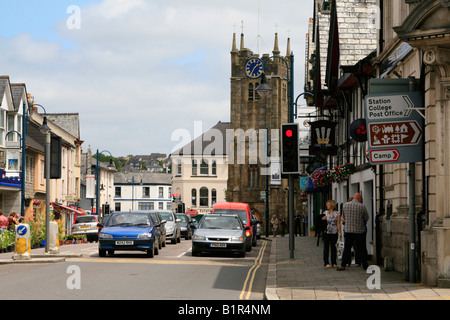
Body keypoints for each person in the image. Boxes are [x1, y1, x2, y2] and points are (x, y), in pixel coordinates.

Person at [337, 193, 369, 271]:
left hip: (348, 230)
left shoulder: (345, 205)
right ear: (360, 199)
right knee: (362, 248)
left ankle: (343, 265)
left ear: (354, 198)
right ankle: (365, 265)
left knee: (347, 248)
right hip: (359, 231)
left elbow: (343, 217)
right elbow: (366, 218)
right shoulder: (362, 206)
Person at [322, 200, 340, 268]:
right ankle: (326, 262)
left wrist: (339, 232)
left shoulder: (337, 213)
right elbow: (321, 221)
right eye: (327, 204)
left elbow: (338, 223)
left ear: (332, 205)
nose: (327, 206)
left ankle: (334, 262)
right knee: (326, 247)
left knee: (333, 247)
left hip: (334, 232)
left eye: (329, 204)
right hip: (327, 232)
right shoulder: (325, 213)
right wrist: (323, 218)